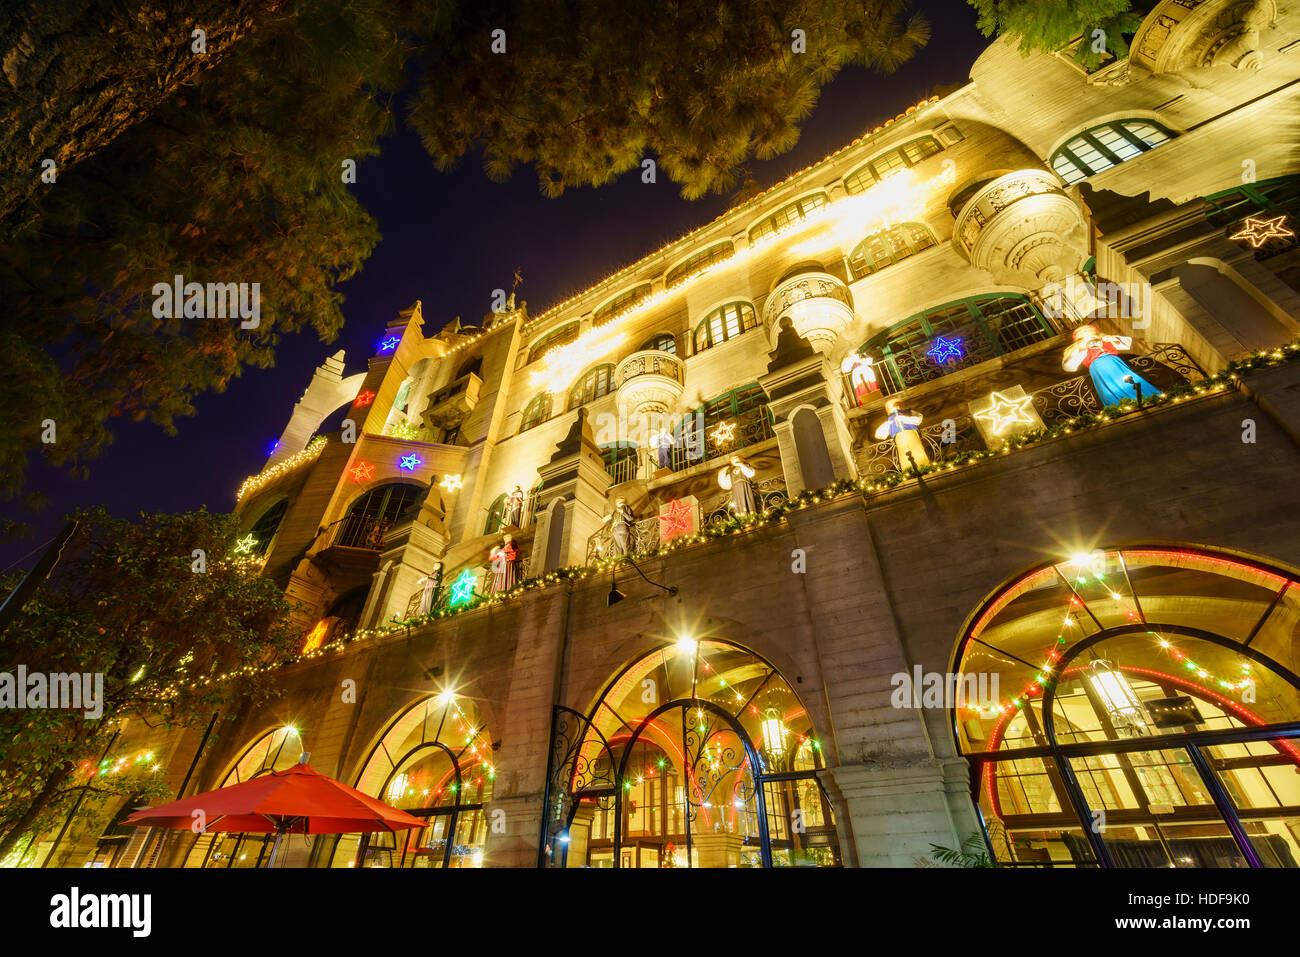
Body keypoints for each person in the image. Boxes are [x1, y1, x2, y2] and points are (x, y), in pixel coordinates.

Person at [1062, 325, 1160, 406]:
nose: (1088, 332)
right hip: (1099, 368)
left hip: (1115, 363)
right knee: (1111, 388)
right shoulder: (1077, 347)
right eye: (1084, 332)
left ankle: (1149, 397)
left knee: (1130, 381)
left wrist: (1112, 338)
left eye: (1089, 330)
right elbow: (1069, 366)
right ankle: (1122, 406)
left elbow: (1126, 343)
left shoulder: (1104, 339)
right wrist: (1081, 348)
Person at [874, 398, 929, 471]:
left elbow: (919, 418)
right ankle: (909, 471)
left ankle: (925, 468)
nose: (894, 407)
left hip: (911, 433)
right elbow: (880, 435)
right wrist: (887, 426)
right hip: (899, 437)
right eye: (891, 406)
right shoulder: (890, 419)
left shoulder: (908, 412)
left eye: (896, 404)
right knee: (904, 456)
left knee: (918, 452)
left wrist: (904, 419)